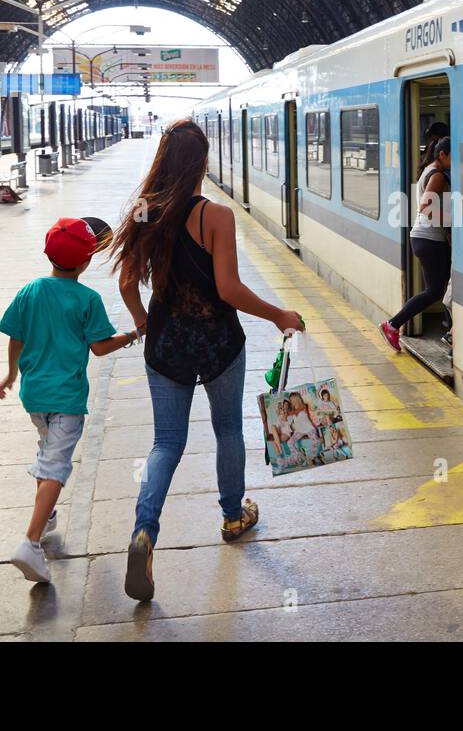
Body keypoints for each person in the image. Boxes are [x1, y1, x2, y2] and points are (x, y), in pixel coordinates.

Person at [112, 118, 304, 602]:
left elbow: (126, 284)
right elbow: (228, 290)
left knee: (167, 443)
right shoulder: (215, 215)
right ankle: (232, 514)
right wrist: (278, 313)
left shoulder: (142, 211)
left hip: (166, 342)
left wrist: (142, 324)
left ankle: (145, 533)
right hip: (217, 340)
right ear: (202, 163)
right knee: (228, 430)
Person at [0, 217, 141, 584]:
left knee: (47, 455)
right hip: (68, 399)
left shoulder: (30, 290)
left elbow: (15, 337)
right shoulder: (87, 299)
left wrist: (11, 373)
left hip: (34, 395)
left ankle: (45, 518)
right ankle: (29, 542)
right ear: (86, 261)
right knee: (56, 466)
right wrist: (133, 333)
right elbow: (100, 347)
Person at [380, 136, 451, 351]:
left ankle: (394, 325)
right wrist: (452, 219)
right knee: (438, 291)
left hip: (423, 238)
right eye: (453, 158)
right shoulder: (438, 175)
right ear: (442, 155)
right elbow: (425, 206)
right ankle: (392, 324)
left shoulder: (429, 169)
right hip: (429, 239)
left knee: (439, 289)